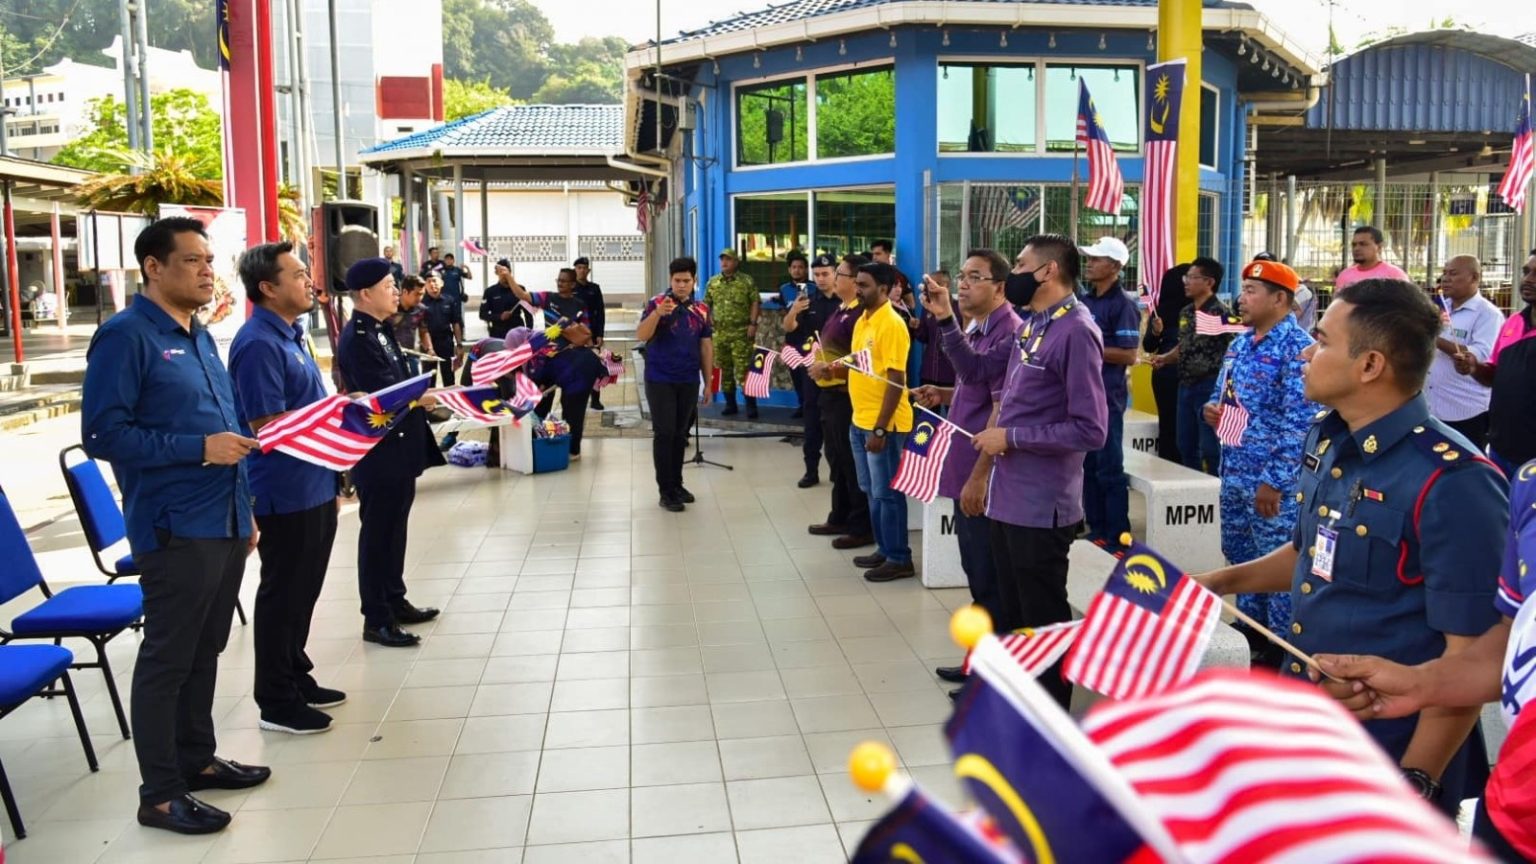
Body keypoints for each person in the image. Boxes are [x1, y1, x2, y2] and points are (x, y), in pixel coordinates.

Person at [1198, 277, 1507, 818]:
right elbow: (1309, 554)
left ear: (1369, 366)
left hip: (1392, 748)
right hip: (1319, 722)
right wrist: (1220, 582)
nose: (1306, 355)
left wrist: (1416, 781)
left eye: (1321, 342)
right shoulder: (1328, 436)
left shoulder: (1453, 482)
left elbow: (1472, 658)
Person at [81, 216, 270, 835]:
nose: (206, 270)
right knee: (169, 658)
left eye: (209, 260)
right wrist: (196, 450)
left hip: (221, 521)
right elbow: (104, 434)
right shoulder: (126, 336)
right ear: (153, 267)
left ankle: (197, 758)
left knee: (206, 649)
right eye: (192, 260)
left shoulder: (199, 336)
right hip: (174, 526)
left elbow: (229, 431)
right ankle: (160, 793)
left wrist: (243, 514)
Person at [1313, 457, 1536, 861]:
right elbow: (1511, 634)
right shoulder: (1530, 483)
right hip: (1513, 810)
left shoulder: (1460, 479)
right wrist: (1421, 684)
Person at [971, 235, 1108, 709]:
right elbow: (1009, 403)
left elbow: (1091, 430)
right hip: (1007, 496)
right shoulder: (1032, 326)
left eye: (1024, 265)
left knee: (1043, 623)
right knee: (1012, 616)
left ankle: (1051, 720)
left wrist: (1011, 440)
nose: (1016, 274)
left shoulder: (1076, 331)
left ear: (1048, 271)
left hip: (1041, 504)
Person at [229, 242, 347, 736]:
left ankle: (296, 672)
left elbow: (306, 408)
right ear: (268, 288)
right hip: (283, 488)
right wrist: (338, 414)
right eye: (298, 275)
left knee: (306, 589)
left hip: (314, 481)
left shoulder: (292, 334)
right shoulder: (257, 343)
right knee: (284, 592)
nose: (309, 282)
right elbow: (267, 424)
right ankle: (276, 700)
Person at [916, 248, 1022, 684]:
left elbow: (1001, 409)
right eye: (961, 275)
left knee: (990, 577)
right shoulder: (979, 327)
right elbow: (973, 382)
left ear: (999, 287)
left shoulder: (1008, 332)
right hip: (966, 468)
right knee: (977, 573)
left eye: (974, 277)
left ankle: (992, 675)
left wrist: (979, 477)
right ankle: (978, 660)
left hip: (986, 477)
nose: (962, 284)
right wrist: (943, 394)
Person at [1203, 259, 1317, 655]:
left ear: (1279, 299)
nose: (1242, 297)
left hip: (1269, 481)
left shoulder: (1297, 350)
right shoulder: (1239, 343)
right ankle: (1251, 632)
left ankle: (1282, 647)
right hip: (1234, 470)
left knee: (1275, 566)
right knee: (1241, 557)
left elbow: (1298, 424)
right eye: (1244, 289)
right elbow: (1222, 394)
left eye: (1252, 291)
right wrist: (1211, 410)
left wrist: (1275, 481)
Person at [335, 258, 444, 648]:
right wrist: (420, 395)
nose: (396, 291)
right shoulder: (358, 337)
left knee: (395, 528)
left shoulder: (380, 330)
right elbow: (383, 394)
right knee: (378, 533)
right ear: (365, 294)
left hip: (399, 448)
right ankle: (376, 617)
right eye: (388, 285)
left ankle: (395, 600)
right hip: (380, 452)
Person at [837, 261, 915, 582]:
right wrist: (831, 367)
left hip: (885, 425)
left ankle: (900, 558)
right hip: (860, 419)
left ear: (884, 289)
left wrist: (881, 429)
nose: (858, 289)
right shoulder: (863, 320)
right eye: (857, 283)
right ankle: (884, 548)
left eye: (864, 285)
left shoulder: (892, 324)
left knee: (888, 494)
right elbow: (860, 360)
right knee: (871, 490)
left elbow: (896, 378)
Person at [806, 255, 875, 551]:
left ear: (855, 280)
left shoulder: (862, 314)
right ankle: (840, 515)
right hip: (829, 395)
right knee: (836, 460)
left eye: (840, 273)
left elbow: (864, 358)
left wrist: (829, 367)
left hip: (847, 395)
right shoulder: (841, 309)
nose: (834, 277)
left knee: (851, 462)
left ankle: (860, 526)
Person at [637, 257, 714, 511]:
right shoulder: (657, 303)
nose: (681, 285)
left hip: (688, 378)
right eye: (677, 281)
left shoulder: (701, 309)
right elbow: (642, 335)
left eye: (686, 281)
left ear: (694, 281)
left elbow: (705, 346)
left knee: (680, 434)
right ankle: (665, 490)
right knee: (665, 433)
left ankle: (677, 484)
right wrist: (658, 315)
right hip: (660, 378)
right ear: (670, 280)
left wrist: (708, 382)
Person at [1078, 236, 1139, 550]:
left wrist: (1089, 348)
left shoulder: (1124, 304)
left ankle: (1118, 535)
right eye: (1088, 258)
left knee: (1109, 467)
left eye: (1096, 259)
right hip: (1083, 397)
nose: (1089, 263)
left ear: (1115, 267)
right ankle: (1097, 528)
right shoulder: (1086, 302)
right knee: (1088, 466)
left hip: (1107, 399)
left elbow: (1129, 355)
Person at [1148, 257, 1233, 475]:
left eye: (1193, 278)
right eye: (1187, 277)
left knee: (1209, 447)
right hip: (1185, 385)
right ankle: (1191, 489)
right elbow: (1184, 346)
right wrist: (1164, 358)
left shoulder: (1220, 313)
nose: (1186, 282)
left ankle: (1215, 490)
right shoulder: (1186, 312)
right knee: (1185, 444)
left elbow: (1236, 349)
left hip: (1209, 386)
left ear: (1209, 282)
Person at [1454, 249, 1536, 476]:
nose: (1528, 280)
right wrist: (1474, 368)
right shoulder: (1513, 323)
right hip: (1502, 449)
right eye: (1526, 272)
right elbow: (1494, 376)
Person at [1424, 255, 1501, 448]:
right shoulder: (1439, 309)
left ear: (1474, 278)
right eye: (1444, 273)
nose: (1446, 279)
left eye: (1453, 274)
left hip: (1466, 412)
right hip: (1431, 408)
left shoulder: (1488, 315)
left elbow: (1477, 356)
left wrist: (1432, 338)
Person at [783, 253, 841, 489]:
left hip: (839, 373)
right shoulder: (808, 301)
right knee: (812, 422)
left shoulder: (845, 301)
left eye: (825, 274)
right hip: (813, 372)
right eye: (816, 274)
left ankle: (838, 472)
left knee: (837, 426)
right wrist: (794, 310)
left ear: (836, 273)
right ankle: (811, 471)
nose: (821, 279)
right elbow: (789, 328)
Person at [1142, 265, 1191, 464]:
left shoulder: (1198, 311)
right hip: (1170, 373)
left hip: (1170, 372)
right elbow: (1148, 345)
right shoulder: (1161, 311)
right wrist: (1155, 331)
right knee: (1173, 426)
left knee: (1174, 426)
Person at [705, 248, 760, 418]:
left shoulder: (746, 281)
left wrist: (752, 323)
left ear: (736, 262)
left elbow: (755, 302)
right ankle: (730, 404)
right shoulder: (713, 282)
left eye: (728, 259)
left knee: (744, 370)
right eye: (722, 259)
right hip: (720, 334)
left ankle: (751, 406)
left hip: (741, 332)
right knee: (724, 370)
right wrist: (709, 319)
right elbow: (706, 304)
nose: (724, 263)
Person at [777, 251, 812, 418]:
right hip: (793, 337)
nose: (797, 270)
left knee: (808, 375)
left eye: (801, 267)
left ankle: (810, 406)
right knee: (796, 374)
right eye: (794, 267)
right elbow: (785, 312)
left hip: (809, 337)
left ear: (806, 270)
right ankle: (801, 405)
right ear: (789, 270)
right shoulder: (784, 289)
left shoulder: (813, 288)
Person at [911, 270, 957, 390]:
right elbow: (923, 337)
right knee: (926, 407)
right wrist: (916, 327)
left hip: (951, 374)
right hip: (929, 372)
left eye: (935, 283)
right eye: (928, 284)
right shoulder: (927, 307)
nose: (930, 287)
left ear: (946, 286)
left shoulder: (959, 308)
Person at [573, 256, 607, 410]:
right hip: (574, 334)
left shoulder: (594, 288)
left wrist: (599, 333)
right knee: (576, 368)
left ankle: (595, 399)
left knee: (595, 367)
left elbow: (600, 312)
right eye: (578, 267)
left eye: (583, 268)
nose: (581, 270)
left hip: (592, 334)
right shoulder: (571, 289)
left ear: (588, 270)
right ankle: (578, 399)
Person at [420, 274, 463, 388]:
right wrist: (429, 348)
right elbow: (422, 328)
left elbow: (455, 323)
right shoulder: (421, 303)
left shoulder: (449, 300)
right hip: (428, 344)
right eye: (428, 281)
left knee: (449, 375)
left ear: (442, 283)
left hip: (446, 342)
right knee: (429, 377)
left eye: (434, 281)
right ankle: (430, 404)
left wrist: (459, 345)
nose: (432, 284)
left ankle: (450, 402)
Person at [1334, 225, 1409, 289]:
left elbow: (1407, 304)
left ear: (1379, 247)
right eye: (1354, 245)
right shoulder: (1344, 276)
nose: (1356, 248)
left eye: (1363, 244)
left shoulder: (1394, 275)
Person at [512, 267, 590, 325]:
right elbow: (522, 295)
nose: (559, 284)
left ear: (573, 284)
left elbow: (586, 331)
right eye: (558, 280)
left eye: (563, 281)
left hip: (573, 346)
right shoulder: (547, 297)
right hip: (551, 345)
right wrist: (508, 276)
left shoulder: (580, 305)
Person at [480, 259, 532, 339]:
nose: (504, 275)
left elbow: (528, 313)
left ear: (510, 272)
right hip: (498, 334)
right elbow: (482, 314)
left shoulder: (520, 290)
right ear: (496, 273)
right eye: (500, 272)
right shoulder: (490, 292)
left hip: (517, 334)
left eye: (506, 271)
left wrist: (529, 332)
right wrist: (499, 317)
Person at [390, 275, 429, 376]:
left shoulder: (421, 309)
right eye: (417, 294)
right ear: (405, 292)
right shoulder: (389, 307)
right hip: (391, 356)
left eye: (422, 294)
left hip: (412, 355)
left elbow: (423, 331)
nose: (420, 298)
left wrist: (429, 349)